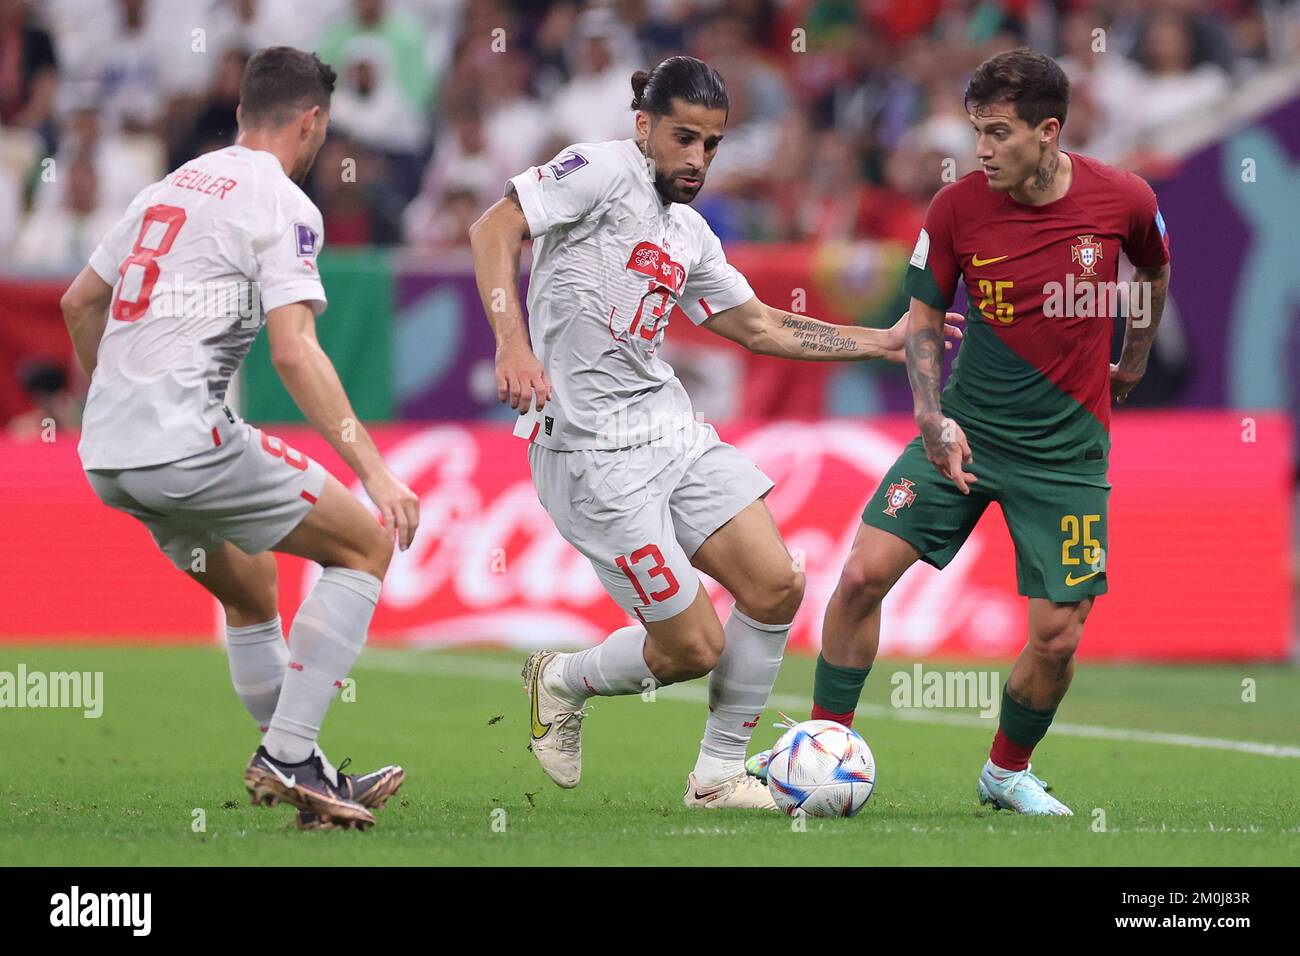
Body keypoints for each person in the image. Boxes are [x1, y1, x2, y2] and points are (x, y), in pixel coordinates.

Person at [468, 55, 961, 809]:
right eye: (683, 138)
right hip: (590, 455)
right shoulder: (600, 172)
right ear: (644, 127)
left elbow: (760, 325)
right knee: (693, 649)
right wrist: (511, 342)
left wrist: (883, 341)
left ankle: (717, 778)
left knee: (775, 585)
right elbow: (493, 227)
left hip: (670, 431)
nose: (696, 158)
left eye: (711, 144)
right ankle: (561, 679)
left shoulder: (689, 232)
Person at [756, 48, 1171, 816]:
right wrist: (930, 416)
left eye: (999, 133)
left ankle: (1006, 771)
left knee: (1056, 638)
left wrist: (1133, 356)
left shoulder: (1124, 199)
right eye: (977, 130)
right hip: (965, 432)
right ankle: (821, 748)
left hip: (1067, 454)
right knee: (858, 578)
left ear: (1048, 133)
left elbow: (1153, 268)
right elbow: (921, 320)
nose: (980, 150)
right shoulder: (956, 209)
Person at [59, 46, 420, 830]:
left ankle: (303, 771)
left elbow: (79, 301)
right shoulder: (282, 201)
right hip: (185, 444)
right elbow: (294, 351)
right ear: (313, 121)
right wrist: (377, 473)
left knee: (252, 588)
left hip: (109, 455)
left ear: (239, 115)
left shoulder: (169, 185)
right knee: (364, 546)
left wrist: (111, 396)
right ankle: (290, 753)